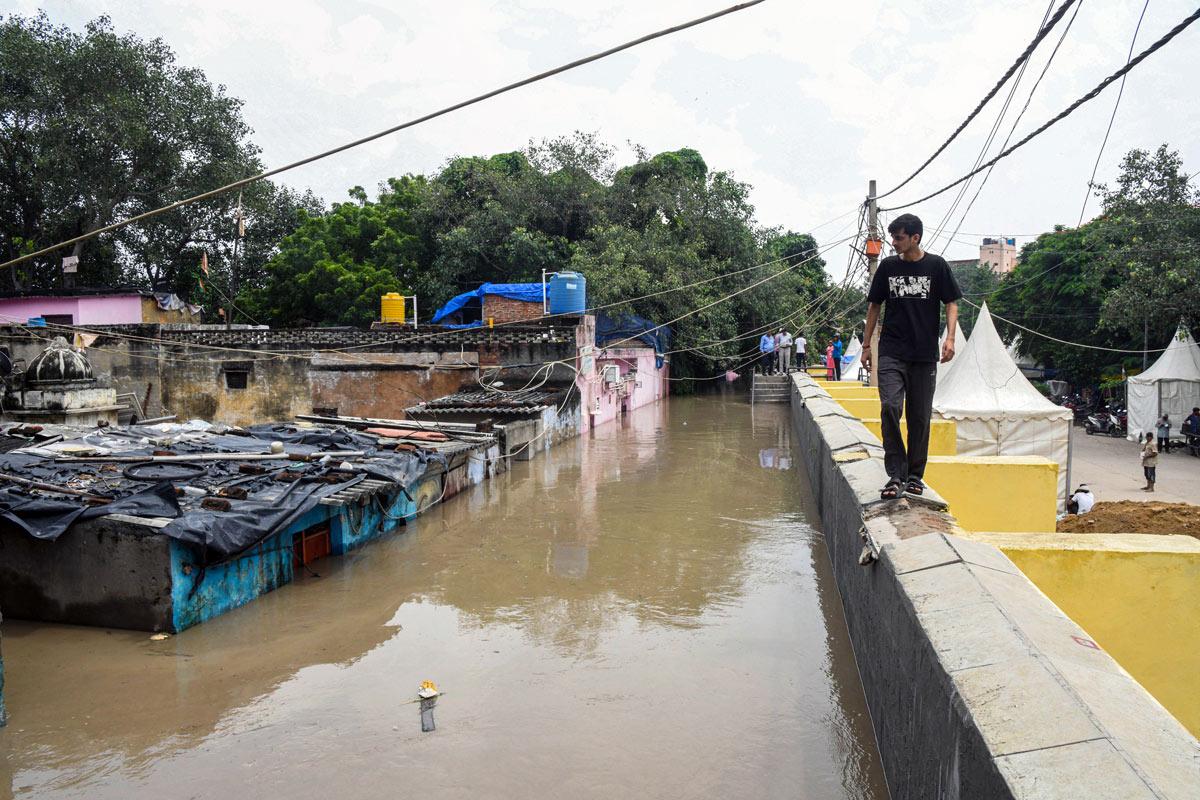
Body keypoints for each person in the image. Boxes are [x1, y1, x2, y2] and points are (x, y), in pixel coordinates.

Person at [861, 213, 963, 499]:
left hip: (924, 355)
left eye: (899, 237)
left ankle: (915, 477)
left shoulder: (936, 266)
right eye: (893, 237)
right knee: (890, 408)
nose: (894, 243)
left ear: (915, 238)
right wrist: (867, 345)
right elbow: (874, 307)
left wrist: (950, 338)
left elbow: (951, 303)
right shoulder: (888, 267)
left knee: (919, 417)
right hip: (892, 352)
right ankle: (895, 474)